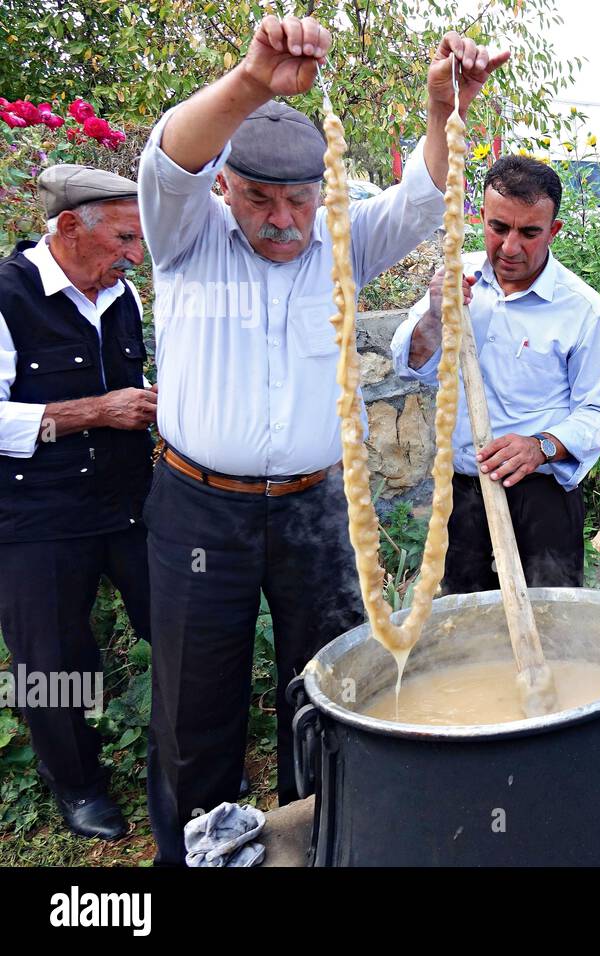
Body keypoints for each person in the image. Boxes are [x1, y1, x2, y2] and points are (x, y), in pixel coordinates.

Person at [136, 13, 508, 864]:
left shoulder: (341, 243)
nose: (282, 220)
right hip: (202, 512)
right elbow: (169, 157)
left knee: (331, 682)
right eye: (261, 199)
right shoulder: (184, 236)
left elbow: (421, 195)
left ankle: (326, 833)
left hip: (318, 507)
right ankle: (195, 854)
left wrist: (441, 108)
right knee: (196, 704)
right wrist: (251, 83)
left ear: (322, 196)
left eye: (299, 200)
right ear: (226, 187)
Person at [0, 165, 154, 839]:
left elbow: (132, 380)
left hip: (130, 501)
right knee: (50, 659)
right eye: (125, 238)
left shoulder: (123, 297)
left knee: (179, 626)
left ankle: (190, 757)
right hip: (37, 514)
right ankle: (78, 784)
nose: (134, 256)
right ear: (70, 226)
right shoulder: (8, 297)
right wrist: (95, 411)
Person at [390, 155, 600, 592]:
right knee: (465, 624)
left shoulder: (582, 309)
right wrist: (437, 316)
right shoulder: (458, 284)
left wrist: (540, 446)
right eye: (498, 228)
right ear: (482, 217)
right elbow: (410, 366)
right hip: (463, 490)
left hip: (542, 493)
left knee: (552, 616)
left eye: (529, 232)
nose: (510, 247)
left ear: (553, 231)